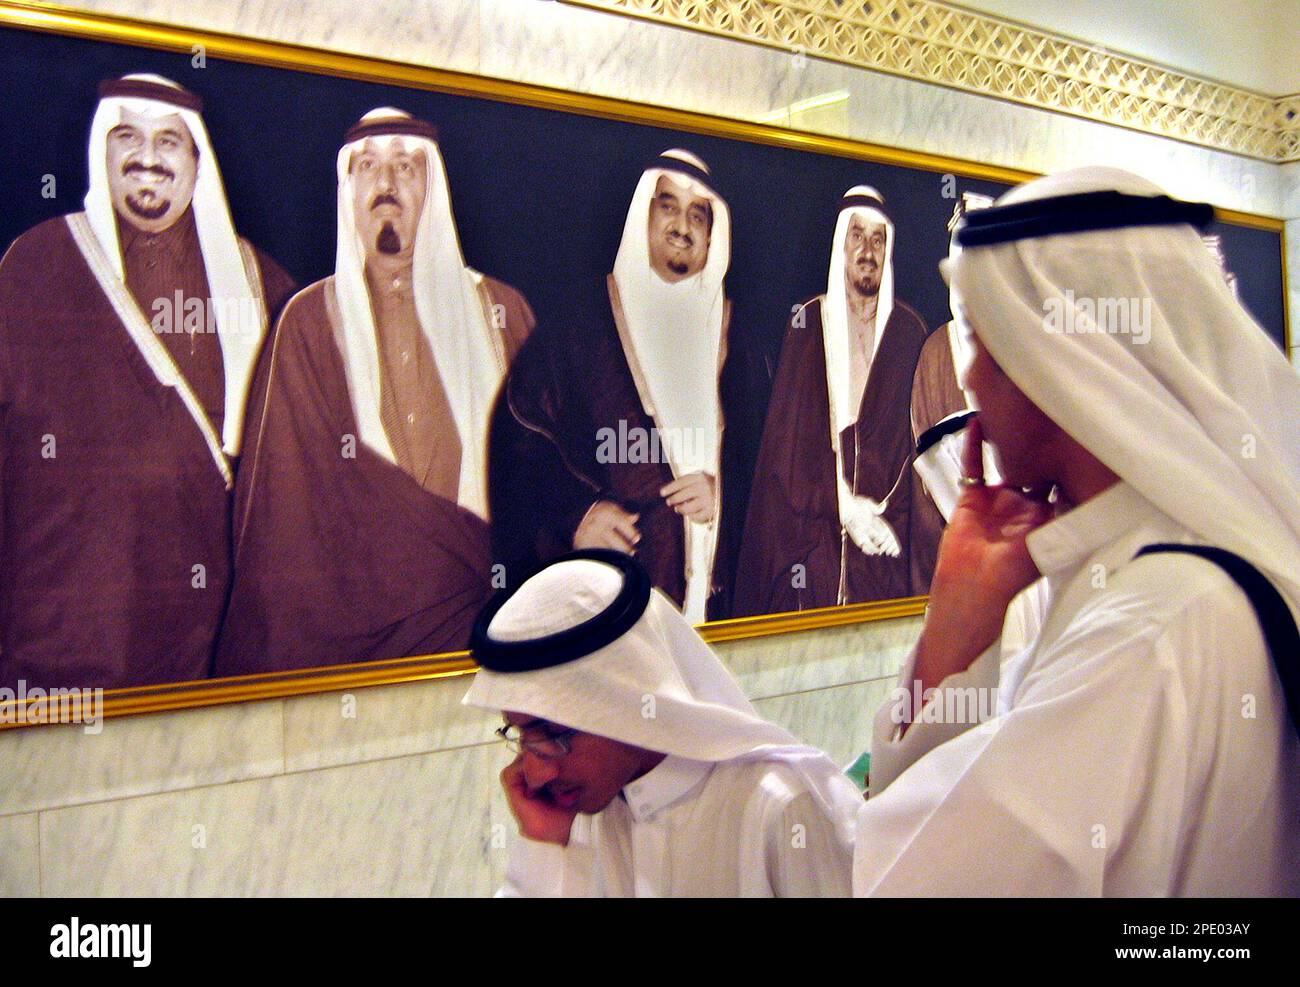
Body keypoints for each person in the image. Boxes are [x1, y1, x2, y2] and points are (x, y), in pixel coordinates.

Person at [856, 166, 1300, 896]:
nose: (968, 379)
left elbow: (918, 881)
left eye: (991, 342)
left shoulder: (1151, 621)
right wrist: (956, 629)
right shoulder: (1164, 572)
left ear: (1066, 360)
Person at [0, 73, 296, 689]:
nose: (147, 157)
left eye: (169, 140)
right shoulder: (35, 263)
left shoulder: (262, 285)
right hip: (73, 609)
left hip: (215, 608)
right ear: (101, 151)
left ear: (196, 160)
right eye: (126, 135)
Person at [214, 109, 534, 674]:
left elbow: (547, 480)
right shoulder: (307, 321)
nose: (386, 185)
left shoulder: (502, 311)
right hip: (350, 637)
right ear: (348, 189)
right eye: (368, 167)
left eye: (407, 167)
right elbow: (282, 515)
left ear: (432, 186)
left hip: (490, 625)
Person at [463, 549, 862, 896]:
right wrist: (543, 844)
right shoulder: (582, 815)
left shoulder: (778, 807)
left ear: (625, 700)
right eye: (520, 737)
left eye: (552, 736)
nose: (533, 774)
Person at [490, 149, 733, 624]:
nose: (682, 224)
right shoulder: (579, 326)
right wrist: (576, 514)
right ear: (644, 215)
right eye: (668, 206)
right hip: (608, 600)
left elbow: (772, 465)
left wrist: (723, 491)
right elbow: (519, 443)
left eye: (697, 214)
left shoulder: (738, 343)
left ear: (711, 236)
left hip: (713, 604)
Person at [735, 186, 929, 615]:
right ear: (840, 245)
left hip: (885, 544)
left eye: (878, 239)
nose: (867, 250)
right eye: (856, 235)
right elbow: (785, 445)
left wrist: (879, 517)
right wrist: (843, 507)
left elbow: (920, 446)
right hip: (813, 539)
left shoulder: (910, 332)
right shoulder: (808, 322)